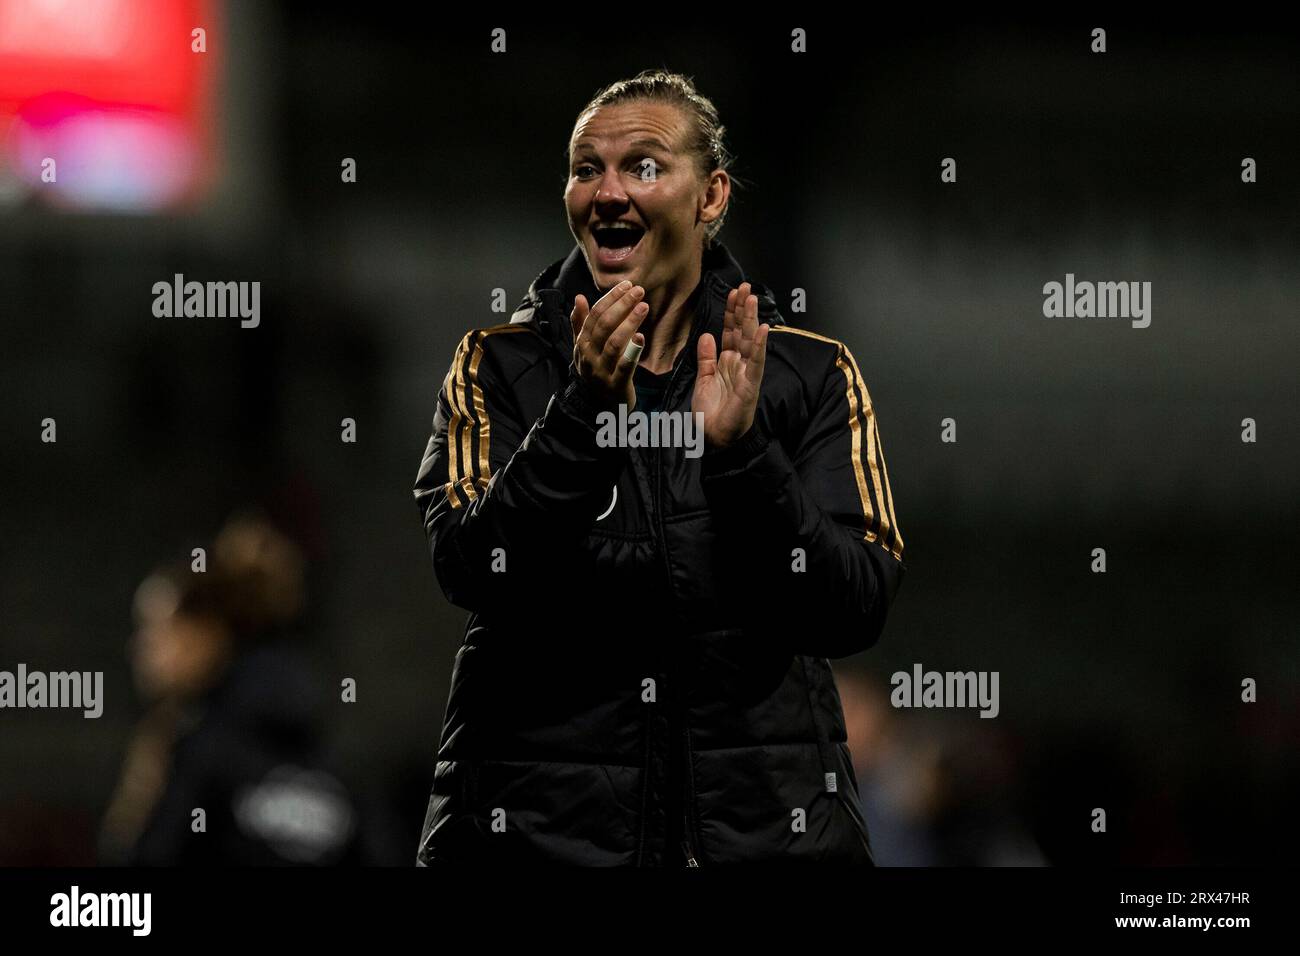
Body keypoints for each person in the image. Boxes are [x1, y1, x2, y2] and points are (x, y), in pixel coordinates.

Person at [412, 69, 907, 866]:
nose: (607, 193)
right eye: (585, 168)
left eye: (642, 166)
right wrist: (581, 415)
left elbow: (852, 607)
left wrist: (743, 456)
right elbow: (473, 566)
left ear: (711, 196)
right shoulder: (496, 367)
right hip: (536, 846)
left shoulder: (809, 376)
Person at [99, 513, 361, 865]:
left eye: (155, 629)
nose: (140, 648)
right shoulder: (327, 756)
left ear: (208, 633)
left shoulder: (198, 751)